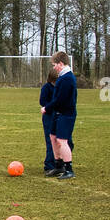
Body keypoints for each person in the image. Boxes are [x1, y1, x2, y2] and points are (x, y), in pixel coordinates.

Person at [40, 51, 76, 179]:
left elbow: (60, 99)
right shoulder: (62, 77)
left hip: (66, 114)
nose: (54, 67)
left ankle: (69, 169)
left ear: (61, 63)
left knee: (62, 141)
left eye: (55, 64)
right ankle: (58, 165)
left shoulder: (67, 78)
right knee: (53, 137)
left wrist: (46, 108)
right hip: (58, 113)